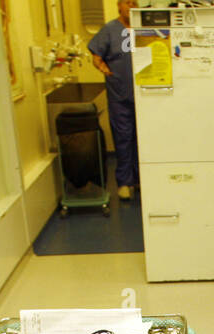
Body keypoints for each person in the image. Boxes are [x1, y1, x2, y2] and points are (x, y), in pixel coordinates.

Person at [89, 0, 139, 200]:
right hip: (120, 95)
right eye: (127, 2)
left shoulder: (145, 28)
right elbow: (96, 55)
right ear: (119, 6)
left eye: (135, 3)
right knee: (123, 137)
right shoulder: (110, 30)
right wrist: (106, 71)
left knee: (143, 138)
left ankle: (141, 179)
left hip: (144, 95)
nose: (131, 6)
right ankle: (125, 182)